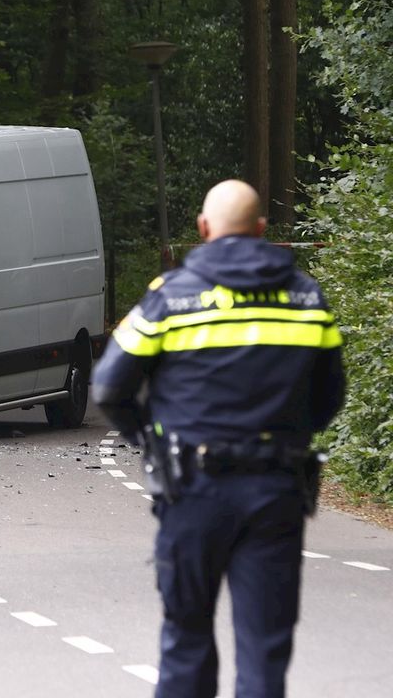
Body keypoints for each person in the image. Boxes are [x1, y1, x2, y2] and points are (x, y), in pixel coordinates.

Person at [91, 179, 344, 698]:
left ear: (204, 230)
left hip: (192, 491)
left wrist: (148, 441)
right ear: (261, 231)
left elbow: (109, 387)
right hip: (276, 490)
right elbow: (330, 398)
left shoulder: (171, 300)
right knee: (264, 650)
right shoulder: (306, 299)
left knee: (186, 640)